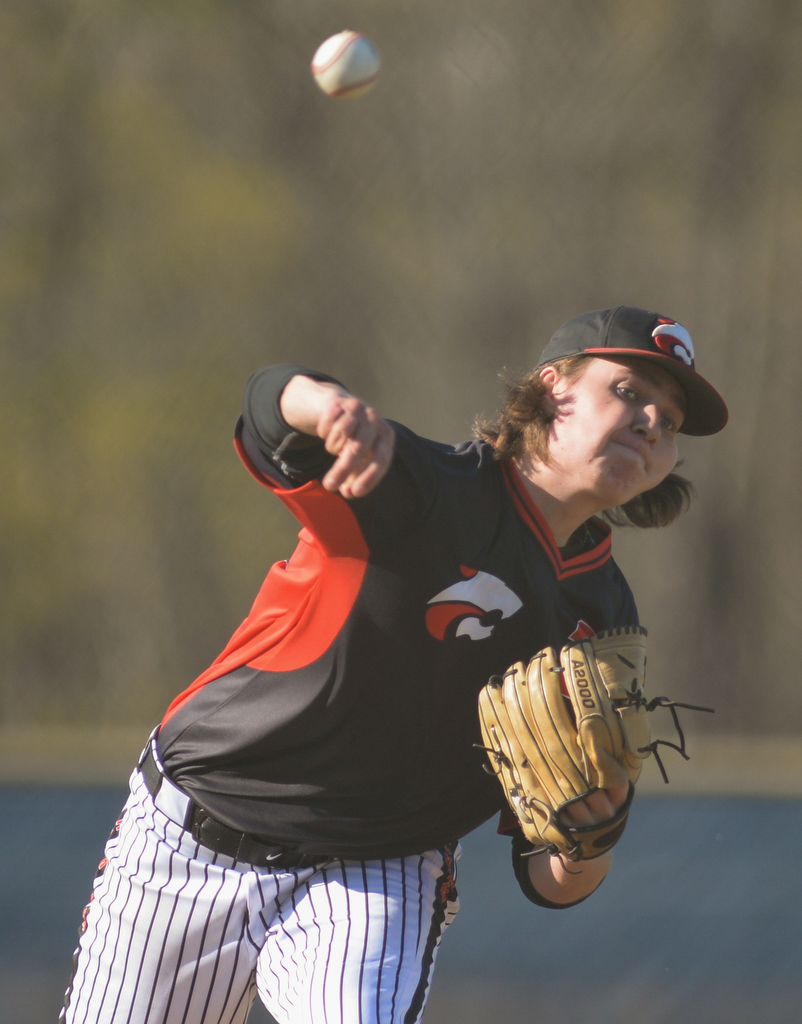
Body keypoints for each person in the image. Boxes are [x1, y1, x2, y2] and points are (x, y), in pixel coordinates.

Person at [61, 305, 727, 1024]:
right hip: (193, 833)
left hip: (379, 869)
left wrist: (592, 838)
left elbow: (549, 876)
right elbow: (265, 411)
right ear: (550, 387)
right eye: (628, 390)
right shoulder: (425, 486)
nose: (652, 421)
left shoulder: (601, 618)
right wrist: (328, 406)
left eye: (669, 418)